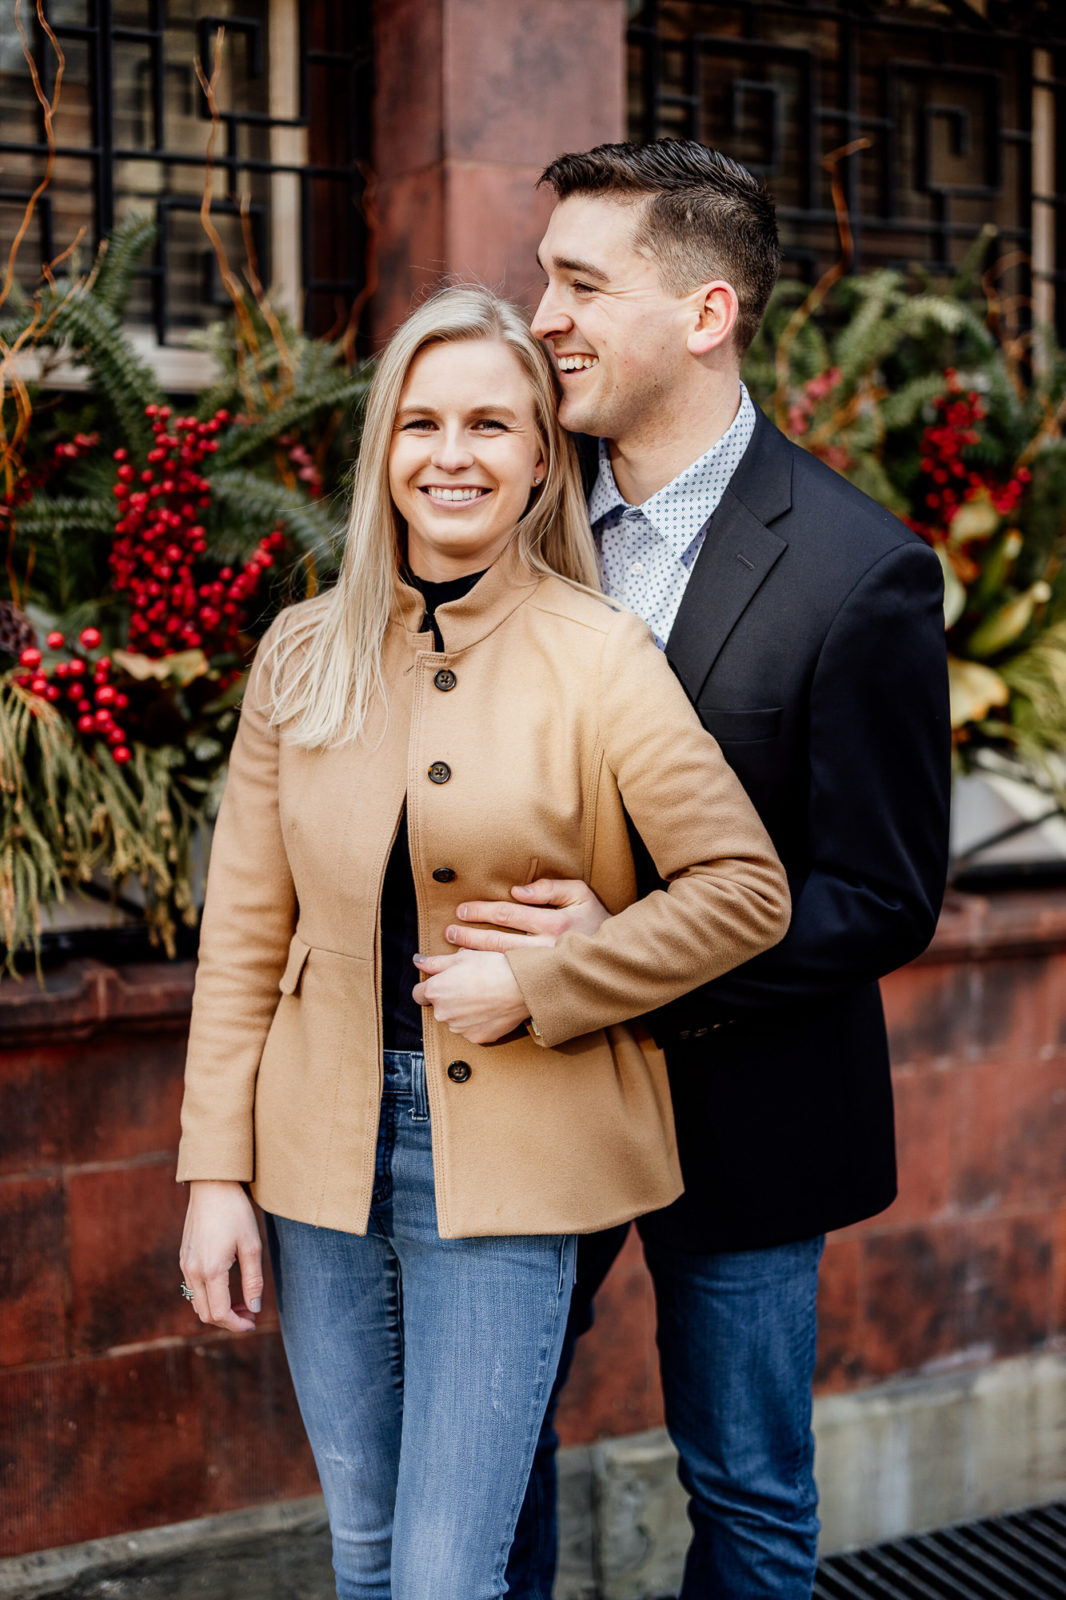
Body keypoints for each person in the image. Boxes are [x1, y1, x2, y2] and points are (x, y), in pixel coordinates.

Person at [175, 286, 790, 1600]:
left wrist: (552, 976)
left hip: (509, 1169)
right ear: (383, 449)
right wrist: (212, 1176)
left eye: (491, 426)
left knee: (449, 1578)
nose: (451, 455)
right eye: (422, 422)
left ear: (535, 458)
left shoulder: (600, 655)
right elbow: (241, 941)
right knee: (365, 1560)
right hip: (313, 1163)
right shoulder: (301, 654)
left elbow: (743, 889)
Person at [435, 144, 953, 1599]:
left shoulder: (862, 570)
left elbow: (882, 894)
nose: (543, 315)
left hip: (751, 1102)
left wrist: (623, 957)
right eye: (547, 278)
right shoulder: (511, 531)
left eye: (581, 283)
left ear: (705, 313)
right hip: (527, 1085)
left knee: (744, 1486)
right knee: (485, 1454)